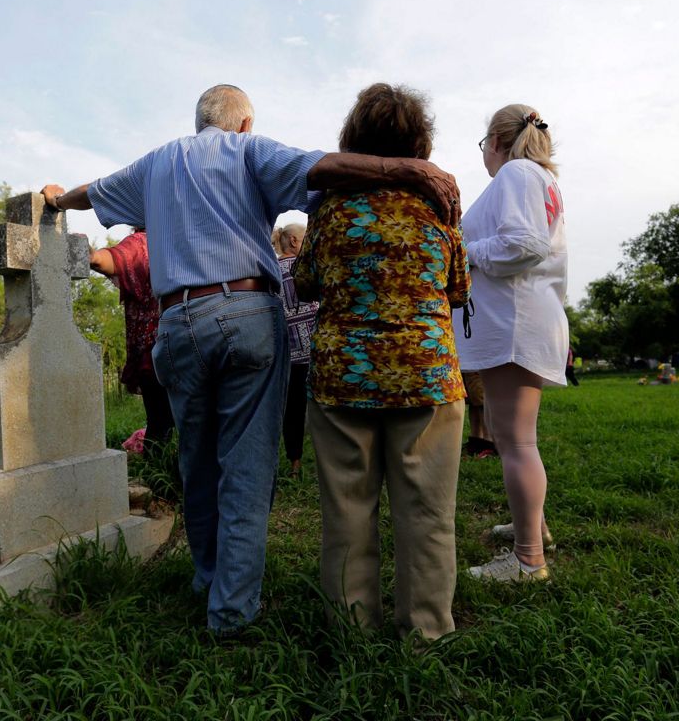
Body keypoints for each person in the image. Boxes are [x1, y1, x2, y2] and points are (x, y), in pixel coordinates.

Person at [41, 84, 461, 637]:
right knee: (245, 465)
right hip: (245, 313)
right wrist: (410, 171)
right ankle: (232, 612)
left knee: (197, 461)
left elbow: (92, 192)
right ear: (243, 123)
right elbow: (325, 166)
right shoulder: (249, 150)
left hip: (175, 323)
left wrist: (55, 198)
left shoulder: (155, 164)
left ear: (199, 121)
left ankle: (207, 579)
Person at [294, 83, 469, 640]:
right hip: (427, 378)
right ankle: (427, 634)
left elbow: (304, 283)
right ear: (420, 140)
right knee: (429, 517)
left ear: (354, 141)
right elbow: (458, 288)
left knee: (346, 514)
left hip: (342, 380)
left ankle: (350, 633)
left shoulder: (329, 212)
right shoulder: (438, 207)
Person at [459, 104, 567, 583]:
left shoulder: (517, 174)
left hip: (516, 320)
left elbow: (523, 245)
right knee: (513, 436)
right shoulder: (535, 177)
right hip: (520, 317)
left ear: (496, 142)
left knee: (517, 439)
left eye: (484, 145)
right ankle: (534, 529)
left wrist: (464, 252)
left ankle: (528, 561)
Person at [89, 228, 175, 454]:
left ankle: (164, 484)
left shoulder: (144, 241)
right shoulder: (173, 236)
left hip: (155, 351)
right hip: (185, 345)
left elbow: (109, 261)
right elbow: (111, 260)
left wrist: (93, 257)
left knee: (160, 427)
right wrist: (94, 257)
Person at [271, 223, 317, 478]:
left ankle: (295, 463)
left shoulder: (270, 271)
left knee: (293, 409)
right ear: (293, 241)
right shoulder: (306, 268)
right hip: (313, 347)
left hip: (287, 353)